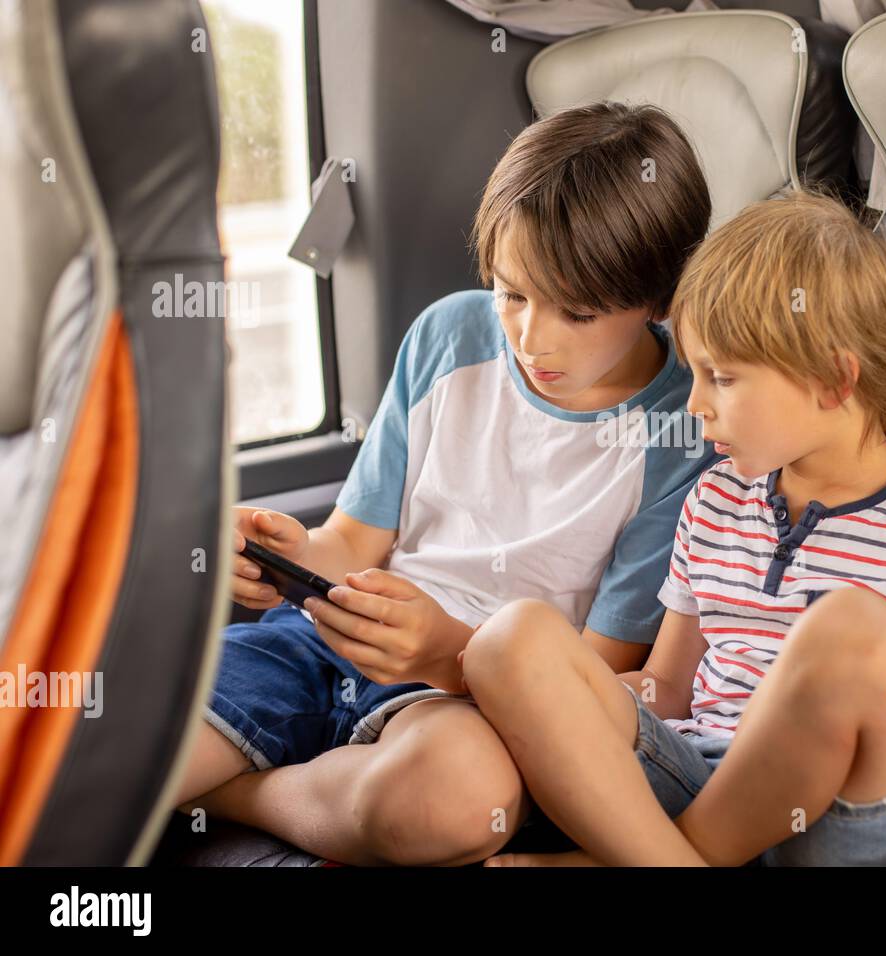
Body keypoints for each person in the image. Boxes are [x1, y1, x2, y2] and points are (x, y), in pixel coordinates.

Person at [175, 101, 719, 865]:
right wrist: (286, 553)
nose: (530, 338)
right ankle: (250, 776)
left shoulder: (686, 427)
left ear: (658, 299)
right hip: (328, 639)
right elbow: (351, 543)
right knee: (94, 748)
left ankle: (238, 793)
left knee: (455, 803)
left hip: (470, 700)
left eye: (577, 313)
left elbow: (595, 676)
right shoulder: (449, 335)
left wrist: (443, 652)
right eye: (513, 293)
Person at [463, 190, 886, 866]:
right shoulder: (714, 500)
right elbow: (668, 689)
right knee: (509, 640)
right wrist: (554, 696)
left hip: (844, 823)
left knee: (854, 630)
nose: (695, 404)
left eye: (721, 379)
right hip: (698, 779)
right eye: (694, 374)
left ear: (834, 380)